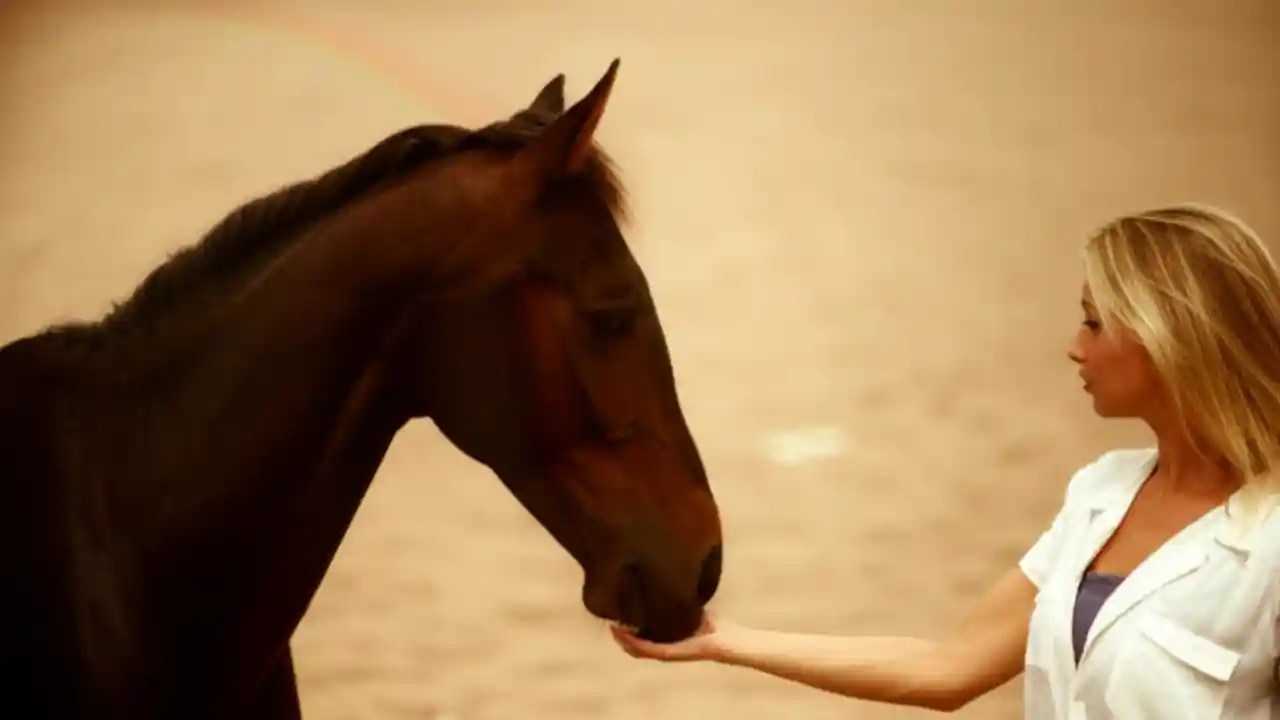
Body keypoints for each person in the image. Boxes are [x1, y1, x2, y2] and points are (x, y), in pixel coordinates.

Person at [611, 202, 1280, 718]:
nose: (1075, 347)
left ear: (1171, 336)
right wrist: (723, 640)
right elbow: (947, 669)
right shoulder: (1100, 494)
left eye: (1094, 322)